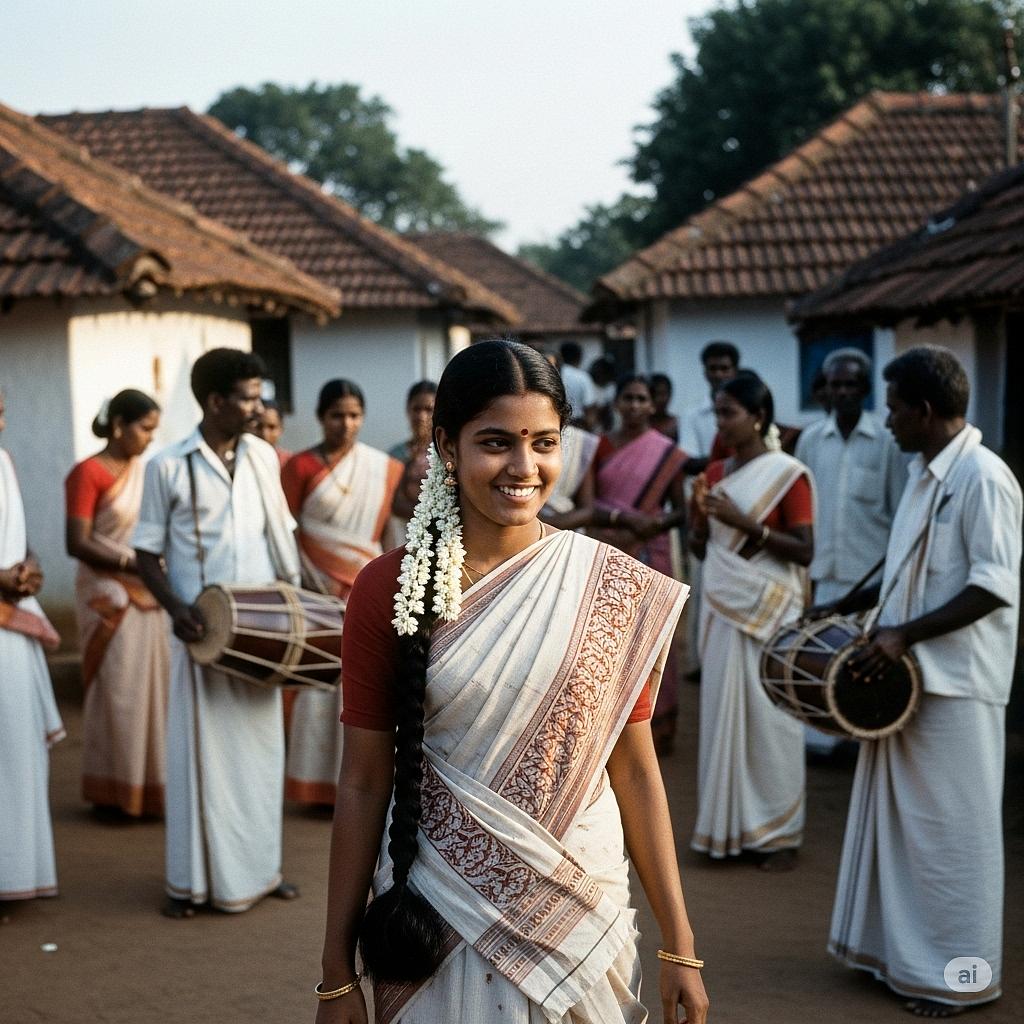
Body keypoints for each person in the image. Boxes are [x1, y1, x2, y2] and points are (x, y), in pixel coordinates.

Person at [314, 339, 709, 1024]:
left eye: (545, 442)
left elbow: (636, 770)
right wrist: (334, 972)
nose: (525, 467)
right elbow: (364, 781)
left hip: (579, 905)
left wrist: (681, 944)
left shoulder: (605, 586)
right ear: (447, 446)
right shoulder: (389, 588)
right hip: (436, 911)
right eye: (496, 442)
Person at [820, 346, 1019, 1017]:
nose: (889, 418)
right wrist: (849, 609)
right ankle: (904, 961)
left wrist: (905, 635)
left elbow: (993, 586)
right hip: (913, 682)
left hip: (959, 684)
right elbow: (904, 570)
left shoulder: (984, 479)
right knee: (910, 832)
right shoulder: (924, 472)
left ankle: (962, 979)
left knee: (954, 837)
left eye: (896, 405)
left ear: (926, 412)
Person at [134, 347, 301, 918]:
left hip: (263, 631)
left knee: (259, 755)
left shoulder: (262, 456)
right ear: (215, 402)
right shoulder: (167, 465)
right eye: (249, 398)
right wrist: (177, 609)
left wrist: (297, 604)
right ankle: (193, 885)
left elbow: (281, 536)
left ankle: (262, 871)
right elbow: (145, 554)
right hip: (203, 634)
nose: (258, 408)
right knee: (200, 759)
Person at [688, 372, 814, 870]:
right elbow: (702, 549)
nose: (720, 423)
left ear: (758, 417)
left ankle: (779, 835)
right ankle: (726, 830)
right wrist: (699, 519)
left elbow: (805, 550)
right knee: (722, 716)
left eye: (729, 413)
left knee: (770, 720)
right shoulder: (716, 474)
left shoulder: (789, 474)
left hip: (769, 611)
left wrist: (746, 524)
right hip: (724, 609)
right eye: (717, 412)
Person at [282, 379, 402, 806]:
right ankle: (315, 783)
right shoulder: (299, 467)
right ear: (320, 417)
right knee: (319, 685)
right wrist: (306, 579)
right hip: (316, 590)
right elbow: (286, 531)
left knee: (363, 684)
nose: (346, 424)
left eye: (353, 416)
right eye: (337, 415)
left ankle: (360, 781)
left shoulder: (384, 468)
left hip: (364, 589)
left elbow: (390, 529)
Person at [794, 349, 906, 755]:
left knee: (865, 666)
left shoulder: (888, 443)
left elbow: (899, 515)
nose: (841, 392)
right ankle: (825, 744)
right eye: (834, 384)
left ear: (864, 389)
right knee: (824, 663)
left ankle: (861, 741)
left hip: (871, 579)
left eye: (849, 385)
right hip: (825, 573)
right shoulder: (811, 440)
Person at [65, 389, 169, 817]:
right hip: (107, 595)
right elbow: (77, 542)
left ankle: (149, 792)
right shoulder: (87, 473)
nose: (148, 439)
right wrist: (133, 563)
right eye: (144, 429)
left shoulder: (146, 473)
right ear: (119, 425)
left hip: (149, 593)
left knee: (153, 693)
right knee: (118, 693)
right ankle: (113, 793)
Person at [590, 375, 688, 754]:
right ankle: (608, 727)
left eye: (641, 399)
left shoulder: (666, 452)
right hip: (609, 545)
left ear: (652, 405)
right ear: (616, 404)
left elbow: (679, 511)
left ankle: (657, 726)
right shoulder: (601, 445)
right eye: (627, 398)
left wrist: (649, 525)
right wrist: (620, 521)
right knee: (608, 637)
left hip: (650, 550)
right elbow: (591, 497)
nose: (634, 405)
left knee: (655, 636)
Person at [0, 388, 64, 905]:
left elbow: (17, 538)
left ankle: (15, 874)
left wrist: (29, 567)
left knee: (17, 755)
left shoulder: (3, 461)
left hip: (11, 630)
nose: (0, 423)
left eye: (2, 411)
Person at [679, 341, 739, 476]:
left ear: (735, 371)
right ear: (705, 372)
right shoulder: (691, 415)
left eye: (724, 369)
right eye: (713, 368)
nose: (718, 374)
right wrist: (737, 459)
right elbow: (689, 463)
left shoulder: (748, 411)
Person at [389, 381, 436, 535]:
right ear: (408, 410)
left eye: (429, 410)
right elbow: (391, 502)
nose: (421, 416)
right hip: (400, 534)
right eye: (416, 409)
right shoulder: (396, 454)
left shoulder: (448, 453)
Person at [559, 340, 597, 429]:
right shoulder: (582, 377)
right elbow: (590, 407)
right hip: (577, 426)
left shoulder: (554, 373)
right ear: (579, 357)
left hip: (557, 425)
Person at [253, 399, 291, 468]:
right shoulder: (241, 462)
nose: (264, 434)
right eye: (259, 427)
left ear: (281, 428)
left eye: (271, 427)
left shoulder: (289, 463)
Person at [649, 373, 679, 443]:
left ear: (670, 394)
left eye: (663, 394)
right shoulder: (642, 425)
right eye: (656, 394)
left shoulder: (676, 425)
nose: (659, 399)